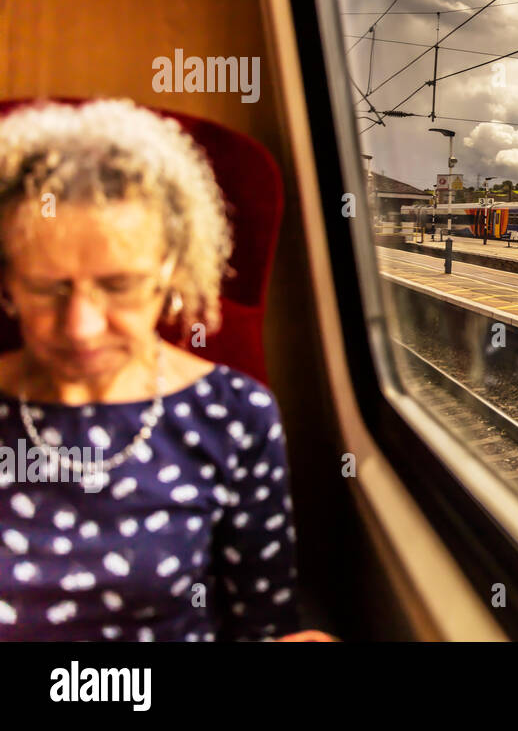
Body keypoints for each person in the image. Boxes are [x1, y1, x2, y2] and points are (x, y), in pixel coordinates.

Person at [0, 99, 298, 641]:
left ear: (171, 272)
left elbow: (262, 626)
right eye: (47, 288)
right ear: (7, 281)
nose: (82, 327)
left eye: (118, 286)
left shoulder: (236, 418)